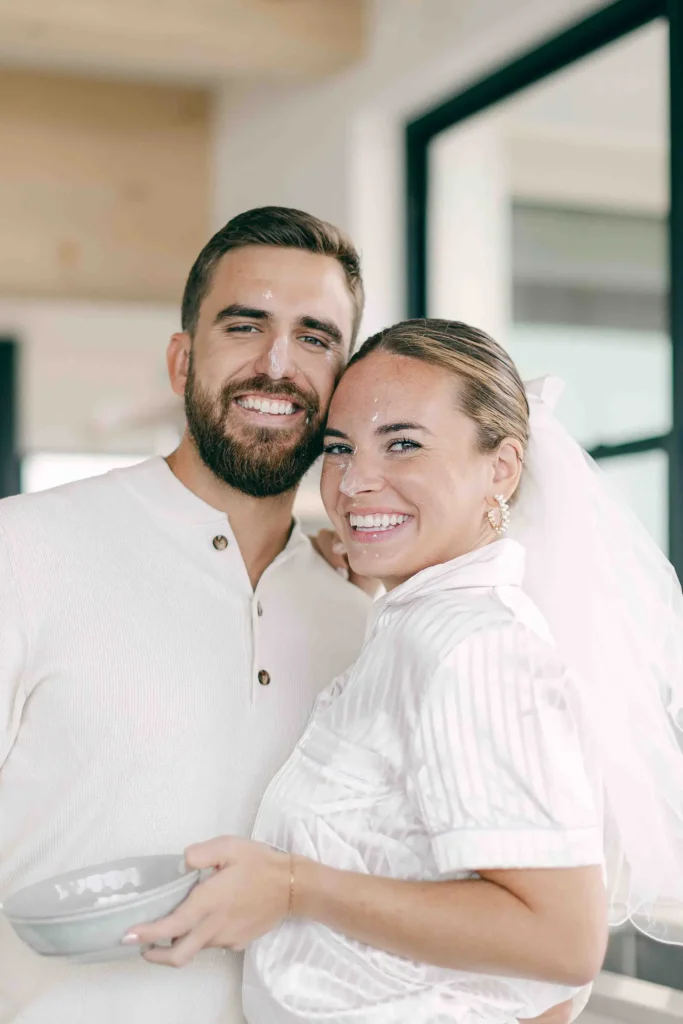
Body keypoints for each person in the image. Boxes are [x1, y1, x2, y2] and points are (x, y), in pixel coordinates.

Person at [130, 318, 683, 1023]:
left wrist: (294, 886)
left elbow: (560, 942)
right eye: (338, 448)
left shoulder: (474, 647)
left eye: (402, 444)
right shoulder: (417, 627)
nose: (355, 482)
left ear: (502, 469)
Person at [0, 207, 372, 1024]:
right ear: (181, 360)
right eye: (245, 326)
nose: (278, 365)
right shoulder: (19, 550)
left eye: (315, 338)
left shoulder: (365, 615)